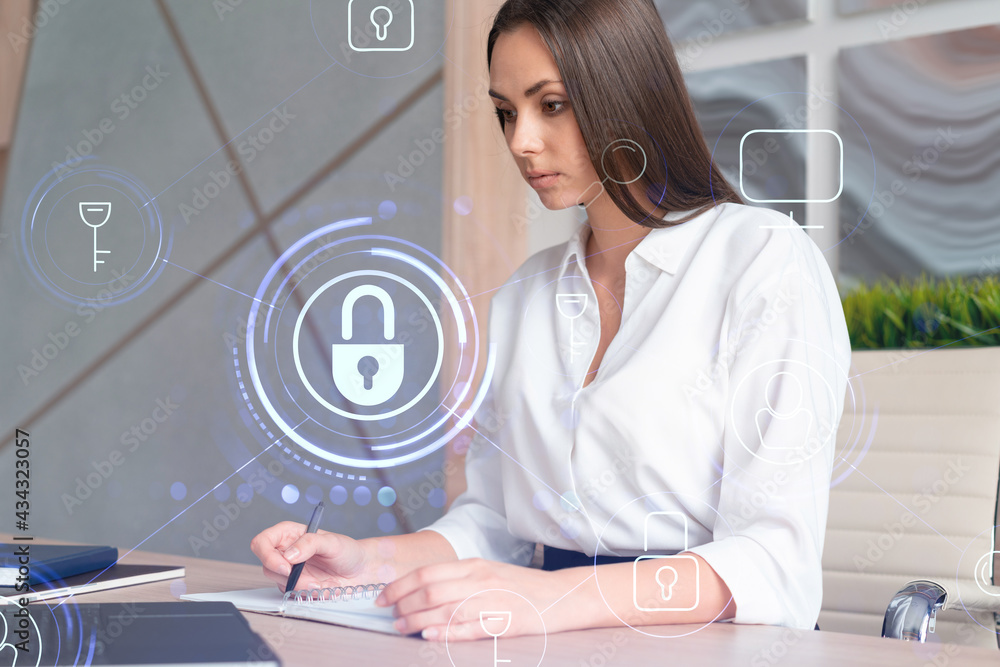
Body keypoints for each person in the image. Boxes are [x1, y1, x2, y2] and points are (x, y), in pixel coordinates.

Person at [251, 0, 851, 641]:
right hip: (551, 634)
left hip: (708, 641)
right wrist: (369, 561)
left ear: (626, 93)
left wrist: (552, 598)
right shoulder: (524, 294)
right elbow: (496, 522)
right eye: (506, 112)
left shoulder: (761, 259)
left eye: (551, 105)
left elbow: (774, 560)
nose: (520, 142)